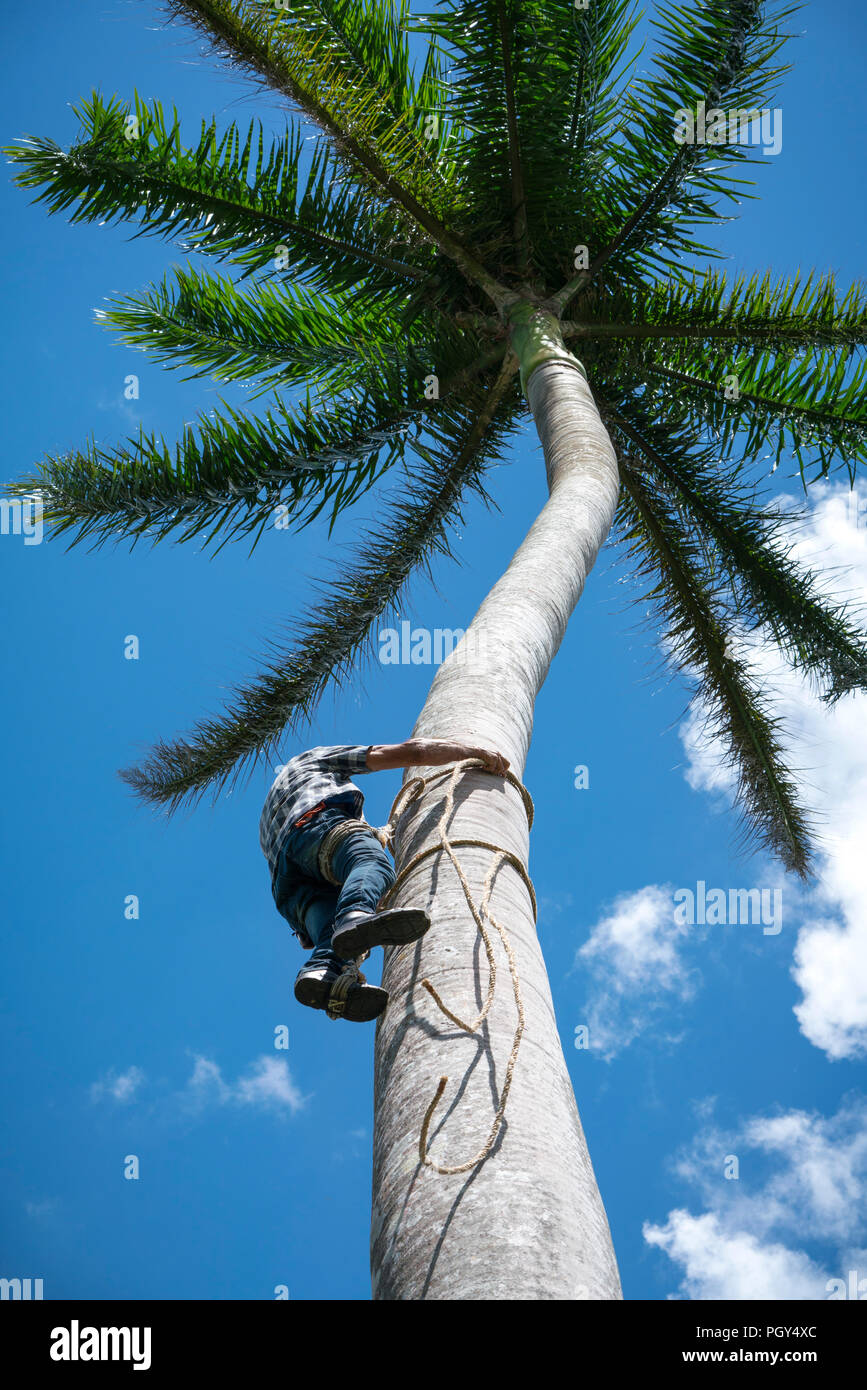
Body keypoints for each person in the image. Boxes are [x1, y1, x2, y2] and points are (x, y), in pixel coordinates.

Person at [260, 737, 510, 1021]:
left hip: (288, 885)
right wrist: (474, 751)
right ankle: (354, 915)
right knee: (372, 864)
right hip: (318, 825)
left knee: (333, 941)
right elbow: (408, 752)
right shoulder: (314, 759)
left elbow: (293, 854)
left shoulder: (268, 815)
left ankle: (325, 976)